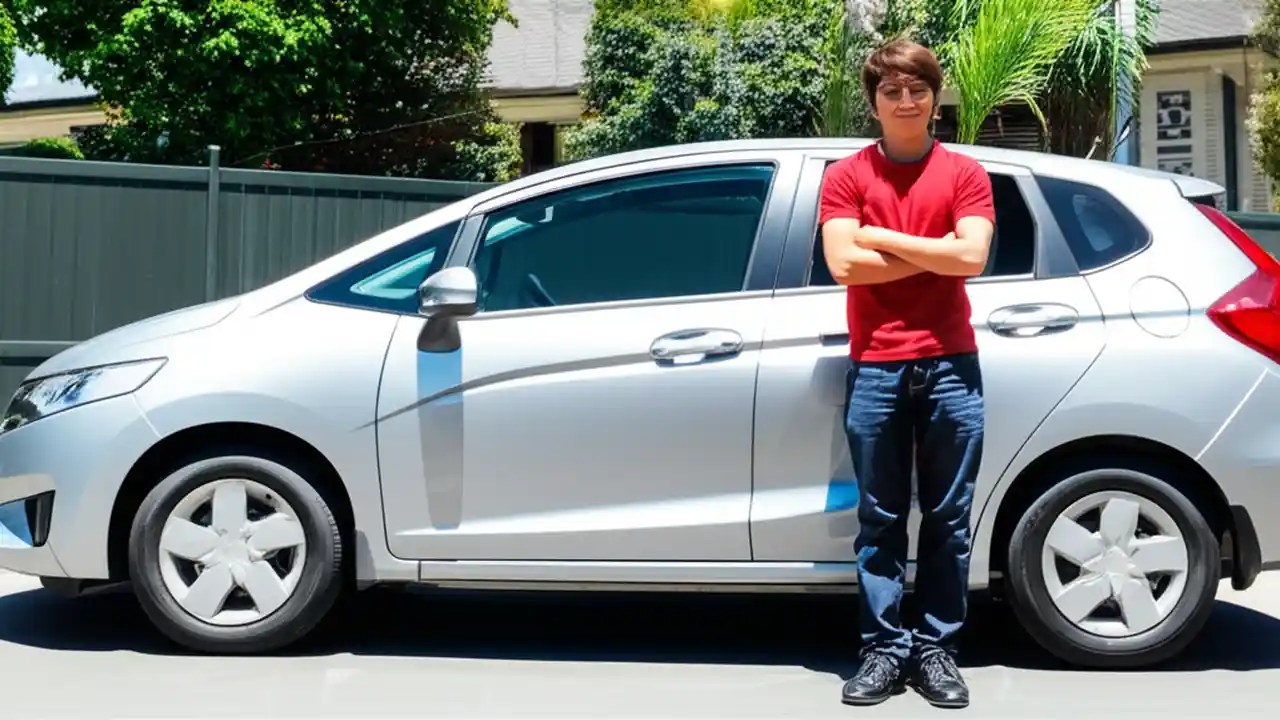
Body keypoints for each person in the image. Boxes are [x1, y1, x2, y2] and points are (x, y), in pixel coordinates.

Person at [817, 38, 995, 709]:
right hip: (876, 369)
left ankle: (938, 652)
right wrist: (936, 251)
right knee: (880, 519)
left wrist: (881, 236)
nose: (905, 99)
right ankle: (883, 651)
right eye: (891, 90)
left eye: (916, 87)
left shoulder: (963, 173)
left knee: (949, 521)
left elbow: (972, 256)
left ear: (933, 96)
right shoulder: (847, 175)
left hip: (951, 364)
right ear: (874, 102)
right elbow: (843, 265)